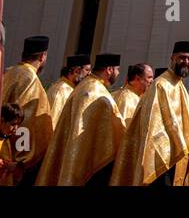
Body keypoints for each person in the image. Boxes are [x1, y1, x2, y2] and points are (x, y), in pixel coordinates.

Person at [111, 41, 189, 186]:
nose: (186, 62)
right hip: (160, 158)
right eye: (182, 58)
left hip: (175, 156)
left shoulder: (179, 85)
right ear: (172, 58)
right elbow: (152, 125)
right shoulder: (161, 84)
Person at [37, 53, 126, 186]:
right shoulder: (96, 92)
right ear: (109, 70)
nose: (118, 73)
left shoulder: (85, 85)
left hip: (75, 155)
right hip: (87, 163)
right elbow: (107, 137)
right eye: (117, 69)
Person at [0, 35, 53, 185]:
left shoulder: (10, 72)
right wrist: (23, 161)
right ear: (43, 56)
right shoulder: (31, 80)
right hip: (11, 161)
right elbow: (26, 124)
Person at [47, 54, 88, 125]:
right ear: (76, 71)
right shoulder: (60, 91)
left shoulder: (70, 89)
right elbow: (51, 123)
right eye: (87, 70)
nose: (89, 74)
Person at [0, 103, 26, 186]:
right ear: (2, 120)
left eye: (18, 125)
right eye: (13, 124)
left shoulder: (6, 139)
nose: (16, 129)